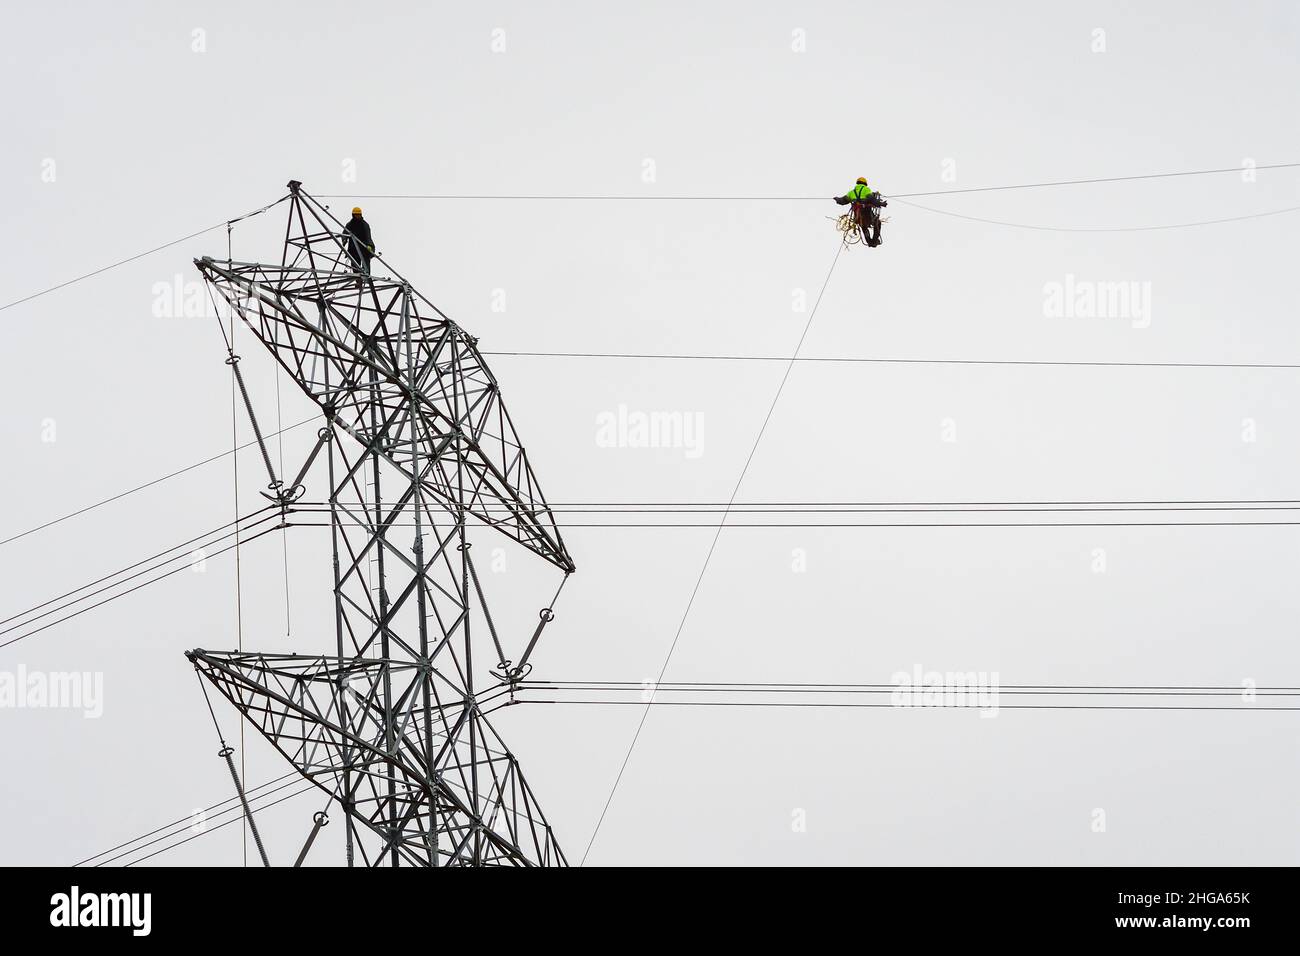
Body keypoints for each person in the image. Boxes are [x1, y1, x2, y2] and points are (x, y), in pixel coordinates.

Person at [833, 177, 884, 247]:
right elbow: (871, 198)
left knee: (863, 226)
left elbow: (843, 201)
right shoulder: (866, 189)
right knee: (877, 223)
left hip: (857, 215)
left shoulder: (851, 192)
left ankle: (869, 241)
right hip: (867, 213)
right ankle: (874, 240)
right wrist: (880, 203)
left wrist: (837, 199)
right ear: (865, 184)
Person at [343, 206, 375, 274]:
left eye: (359, 214)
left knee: (365, 261)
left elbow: (368, 236)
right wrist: (344, 240)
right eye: (356, 215)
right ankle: (357, 277)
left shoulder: (364, 225)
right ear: (353, 215)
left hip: (364, 246)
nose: (358, 216)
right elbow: (344, 233)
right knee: (355, 263)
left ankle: (366, 274)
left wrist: (369, 245)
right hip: (354, 248)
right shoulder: (350, 225)